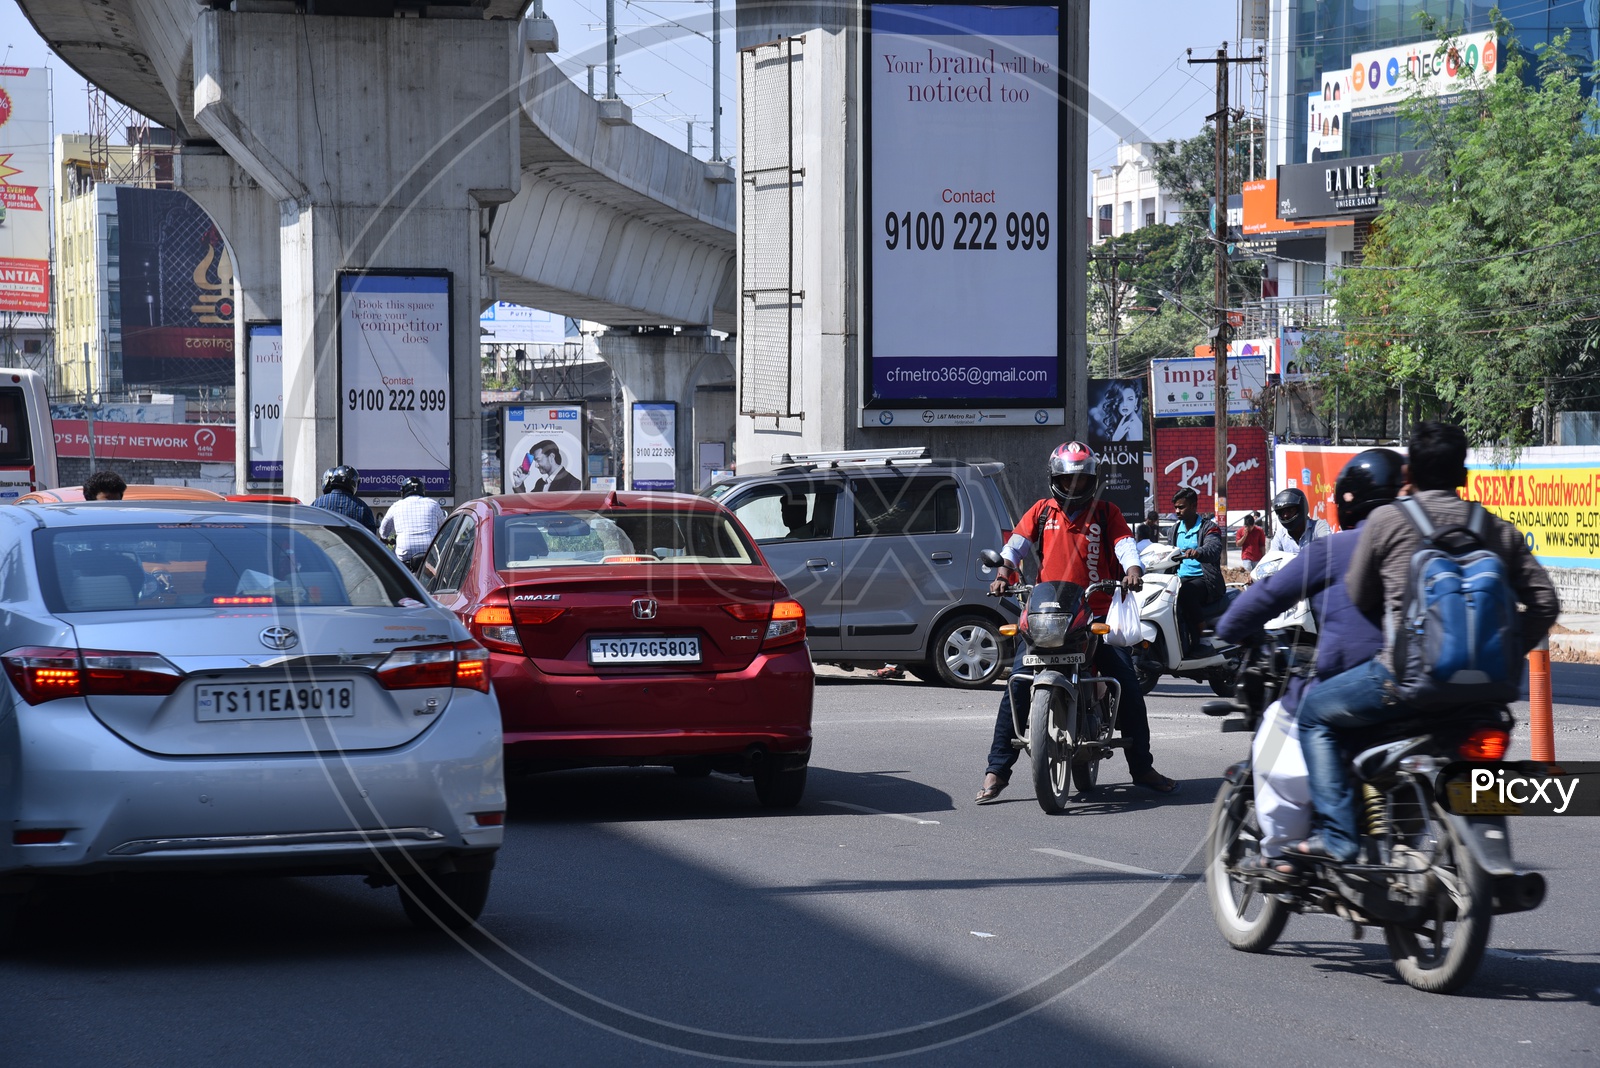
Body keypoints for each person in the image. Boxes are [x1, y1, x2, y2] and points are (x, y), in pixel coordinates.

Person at [1290, 423, 1560, 863]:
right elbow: (1545, 603)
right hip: (1487, 693)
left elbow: (1360, 596)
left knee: (1314, 714)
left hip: (1405, 682)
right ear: (1465, 475)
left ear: (1409, 474)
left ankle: (1338, 836)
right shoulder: (1498, 530)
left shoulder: (1388, 520)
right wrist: (1508, 652)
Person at [1214, 449, 1399, 872]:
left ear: (1346, 502)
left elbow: (1267, 595)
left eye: (1290, 510)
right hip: (1427, 685)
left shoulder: (1332, 546)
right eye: (1282, 512)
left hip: (1365, 681)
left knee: (1288, 724)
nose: (1286, 517)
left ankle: (1289, 848)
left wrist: (1227, 627)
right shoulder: (1420, 544)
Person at [975, 441, 1175, 803]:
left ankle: (1141, 767)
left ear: (1092, 481)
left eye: (1081, 482)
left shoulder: (1105, 513)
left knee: (1125, 683)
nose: (1074, 488)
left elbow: (1125, 544)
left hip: (1093, 613)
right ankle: (996, 770)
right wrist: (1004, 572)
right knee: (1018, 684)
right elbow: (1015, 547)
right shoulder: (1041, 512)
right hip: (1047, 613)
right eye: (1067, 481)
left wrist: (1132, 569)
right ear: (1055, 480)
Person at [1169, 486, 1224, 659]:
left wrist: (1199, 552)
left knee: (1186, 594)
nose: (1177, 511)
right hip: (1178, 578)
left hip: (1204, 579)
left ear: (1193, 506)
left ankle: (1204, 640)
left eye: (1181, 507)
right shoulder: (1174, 530)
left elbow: (1213, 548)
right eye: (1176, 507)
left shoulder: (1209, 527)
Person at [380, 476, 447, 573]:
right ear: (422, 490)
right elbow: (443, 528)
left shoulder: (396, 506)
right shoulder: (433, 504)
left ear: (403, 492)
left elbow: (383, 531)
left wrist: (387, 540)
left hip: (404, 557)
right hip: (429, 555)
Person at [311, 464, 379, 535]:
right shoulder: (363, 508)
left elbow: (308, 528)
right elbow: (371, 536)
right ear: (354, 483)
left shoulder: (318, 503)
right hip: (351, 546)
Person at [1267, 487, 1330, 556]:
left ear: (1302, 507)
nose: (1285, 515)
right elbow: (1272, 557)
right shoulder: (1280, 535)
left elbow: (1326, 548)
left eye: (1290, 510)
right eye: (1282, 512)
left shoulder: (1319, 526)